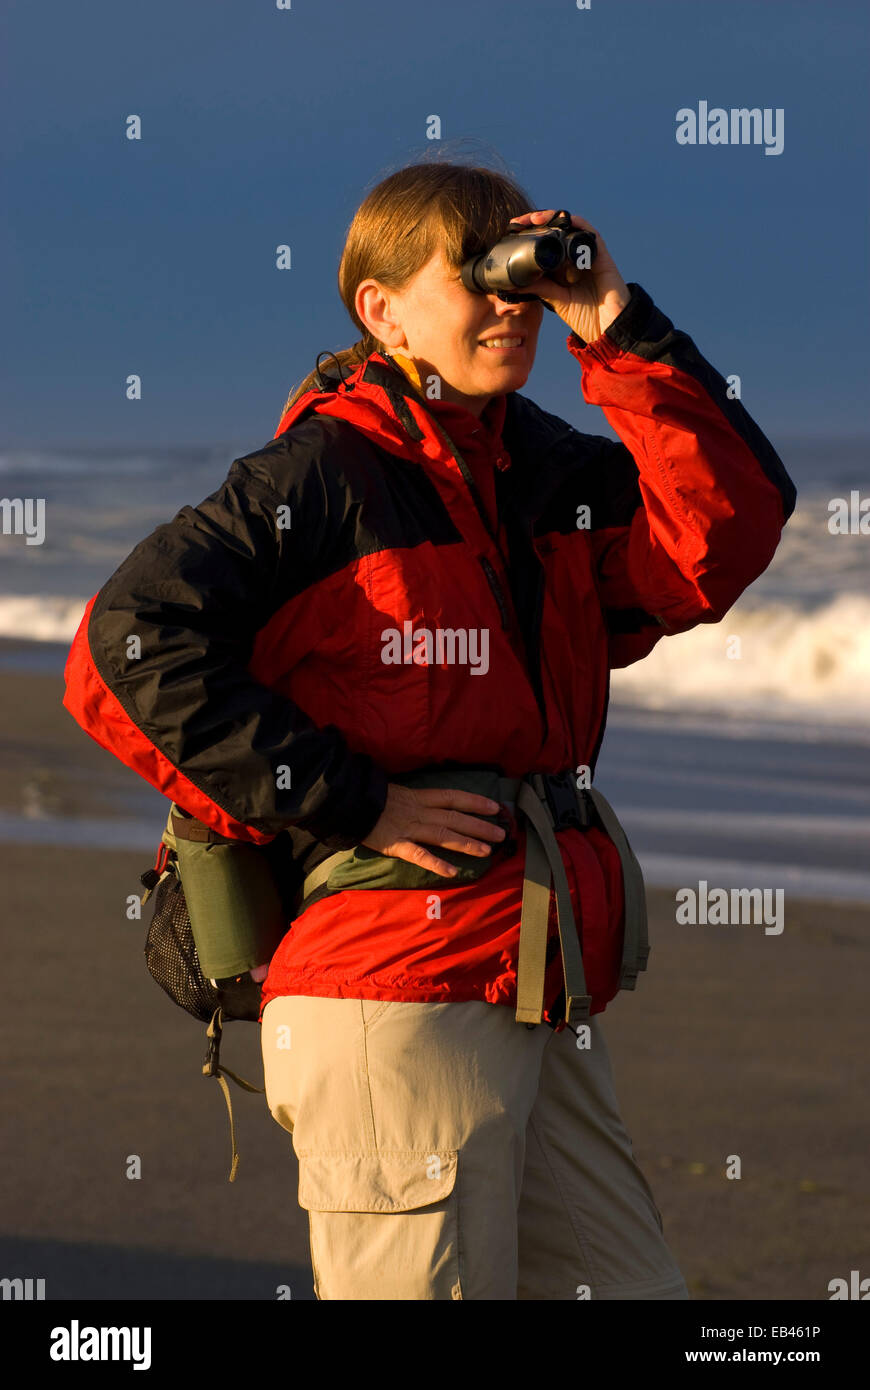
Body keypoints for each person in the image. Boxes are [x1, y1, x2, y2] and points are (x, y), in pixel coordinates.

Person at [62, 161, 796, 1300]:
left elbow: (727, 530)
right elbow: (128, 640)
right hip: (390, 999)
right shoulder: (320, 479)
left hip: (538, 987)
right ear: (382, 309)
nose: (513, 304)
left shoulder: (540, 473)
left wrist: (612, 316)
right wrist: (351, 797)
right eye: (479, 277)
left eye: (524, 276)